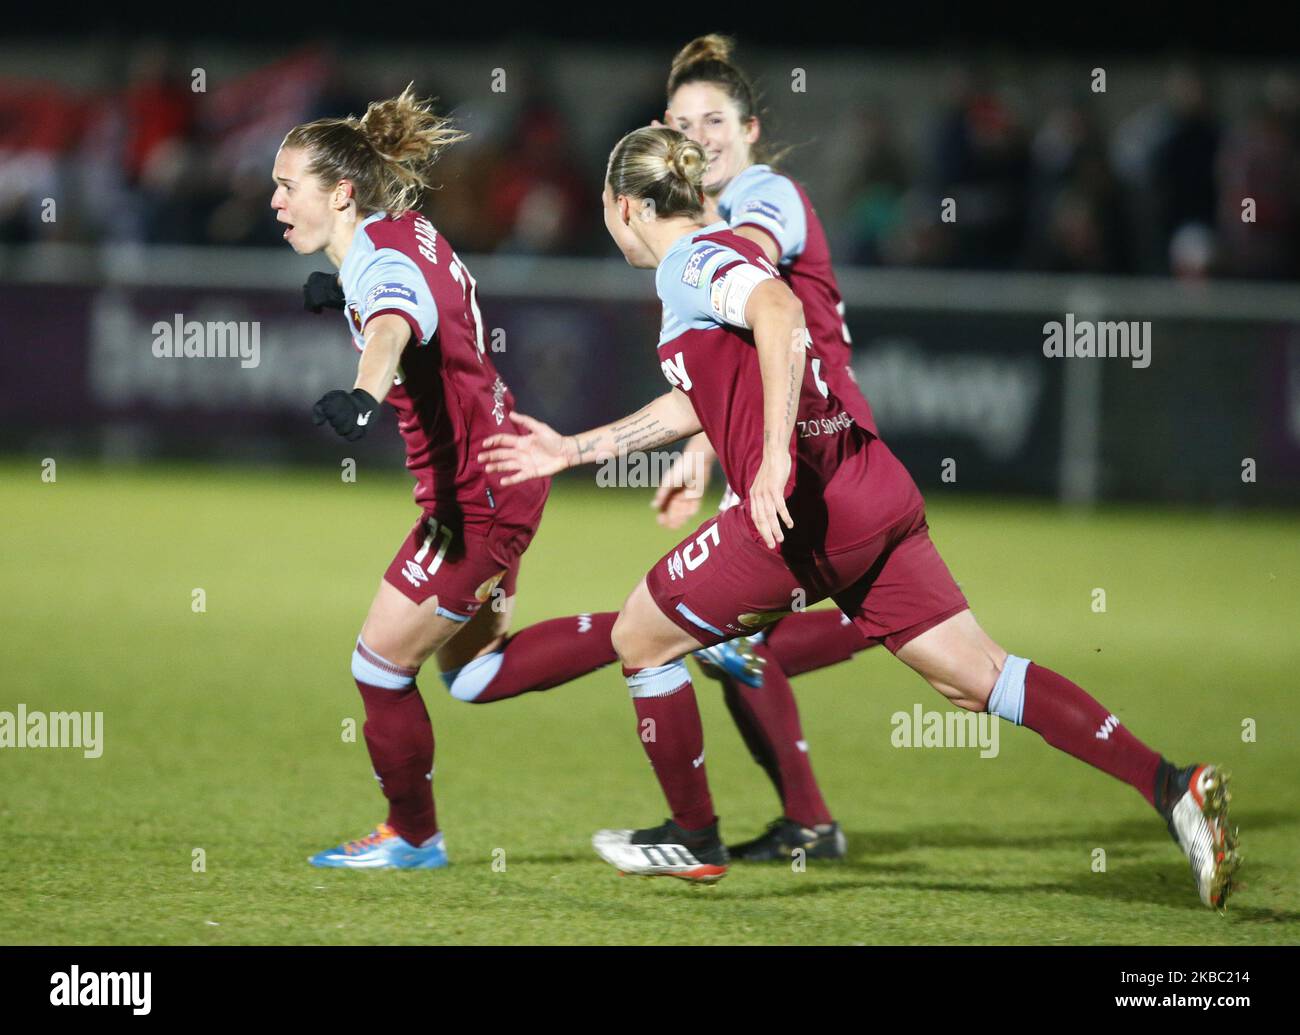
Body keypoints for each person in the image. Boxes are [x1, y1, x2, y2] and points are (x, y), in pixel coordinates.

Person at [478, 126, 1239, 910]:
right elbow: (696, 396)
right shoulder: (708, 255)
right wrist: (575, 448)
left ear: (626, 205)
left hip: (804, 513)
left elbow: (779, 310)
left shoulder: (687, 261)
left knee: (640, 634)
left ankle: (693, 833)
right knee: (981, 679)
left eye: (605, 207)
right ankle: (1173, 786)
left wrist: (772, 455)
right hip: (871, 489)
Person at [273, 86, 626, 869]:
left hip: (475, 502)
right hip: (505, 472)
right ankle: (661, 631)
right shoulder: (403, 230)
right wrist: (344, 290)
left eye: (286, 186)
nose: (273, 200)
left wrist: (365, 392)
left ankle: (413, 837)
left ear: (340, 192)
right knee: (474, 673)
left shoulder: (376, 266)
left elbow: (395, 319)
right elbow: (426, 303)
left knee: (376, 664)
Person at [649, 33, 884, 861]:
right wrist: (703, 450)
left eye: (716, 118)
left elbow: (766, 300)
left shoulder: (762, 195)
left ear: (750, 129)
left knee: (708, 636)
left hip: (817, 449)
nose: (700, 134)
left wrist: (681, 259)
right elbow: (735, 368)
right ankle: (809, 822)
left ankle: (798, 822)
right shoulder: (705, 229)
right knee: (722, 642)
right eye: (682, 122)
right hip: (790, 448)